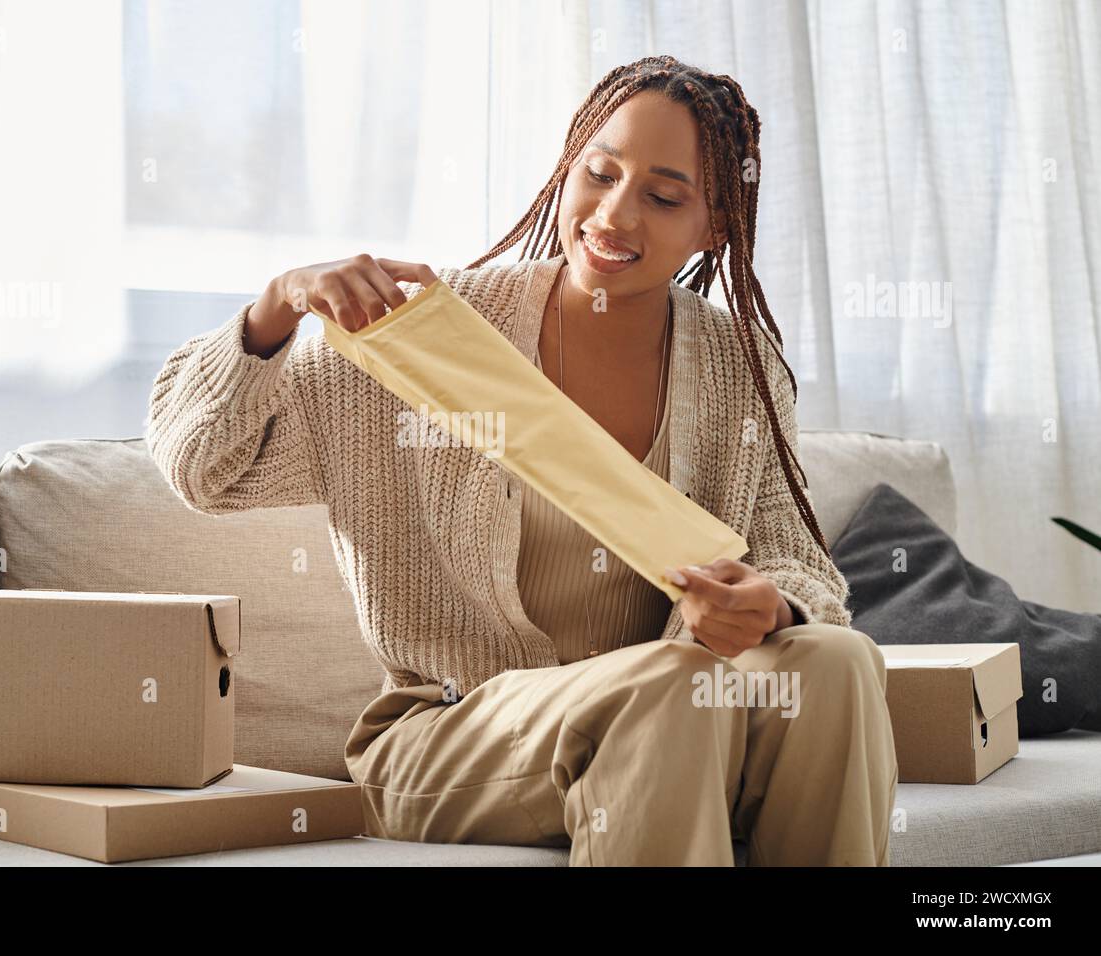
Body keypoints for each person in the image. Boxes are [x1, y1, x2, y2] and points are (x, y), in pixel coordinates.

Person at [146, 54, 898, 866]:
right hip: (448, 736)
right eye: (598, 174)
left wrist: (775, 608)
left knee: (837, 658)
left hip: (681, 720)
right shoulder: (431, 344)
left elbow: (793, 556)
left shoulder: (740, 369)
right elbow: (204, 470)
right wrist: (276, 306)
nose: (614, 215)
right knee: (673, 686)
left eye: (664, 196)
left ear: (713, 225)